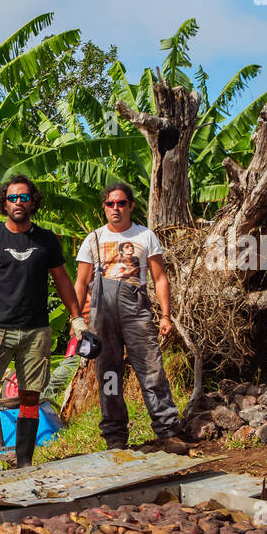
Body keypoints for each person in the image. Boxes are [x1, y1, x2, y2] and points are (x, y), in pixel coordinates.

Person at [0, 176, 87, 472]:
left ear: (33, 202)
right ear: (4, 203)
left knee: (30, 394)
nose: (18, 203)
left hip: (36, 331)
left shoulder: (47, 240)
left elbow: (62, 280)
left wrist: (77, 318)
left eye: (23, 197)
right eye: (12, 198)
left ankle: (24, 462)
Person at [74, 182, 189, 454]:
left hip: (136, 312)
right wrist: (76, 320)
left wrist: (165, 315)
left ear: (131, 205)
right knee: (110, 375)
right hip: (103, 318)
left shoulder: (145, 236)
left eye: (121, 203)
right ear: (104, 208)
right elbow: (81, 283)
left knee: (152, 371)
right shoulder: (94, 239)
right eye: (110, 204)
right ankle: (115, 438)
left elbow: (160, 278)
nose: (116, 208)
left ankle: (168, 432)